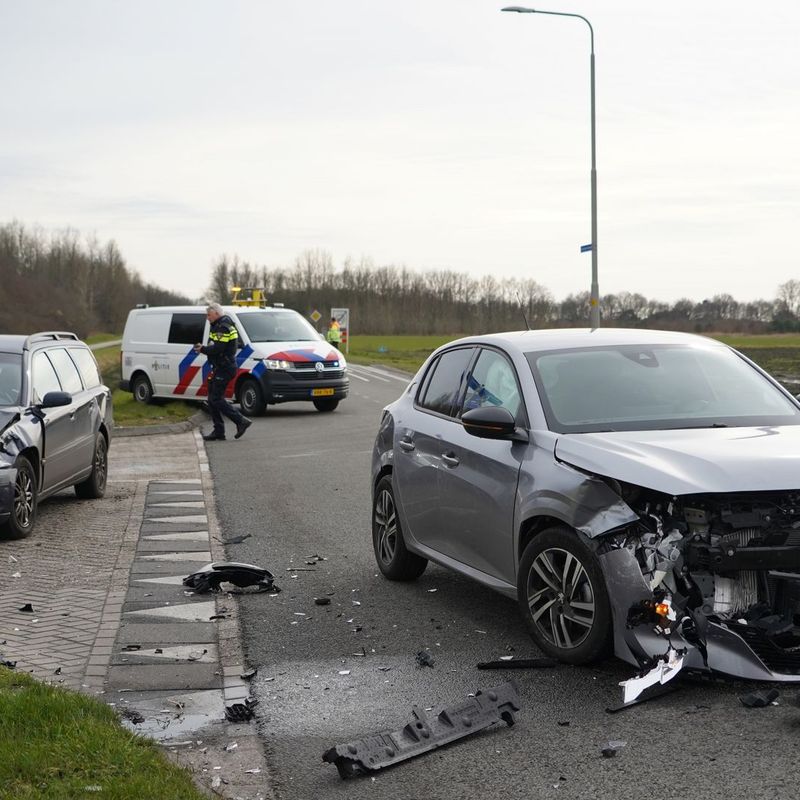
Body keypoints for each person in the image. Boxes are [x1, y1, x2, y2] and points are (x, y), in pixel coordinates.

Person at [195, 303, 252, 441]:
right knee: (211, 399)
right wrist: (205, 347)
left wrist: (202, 349)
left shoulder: (223, 327)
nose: (207, 318)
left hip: (225, 367)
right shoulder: (219, 325)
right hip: (220, 367)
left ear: (216, 313)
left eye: (209, 315)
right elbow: (213, 344)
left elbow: (218, 349)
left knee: (216, 398)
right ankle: (219, 431)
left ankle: (241, 421)